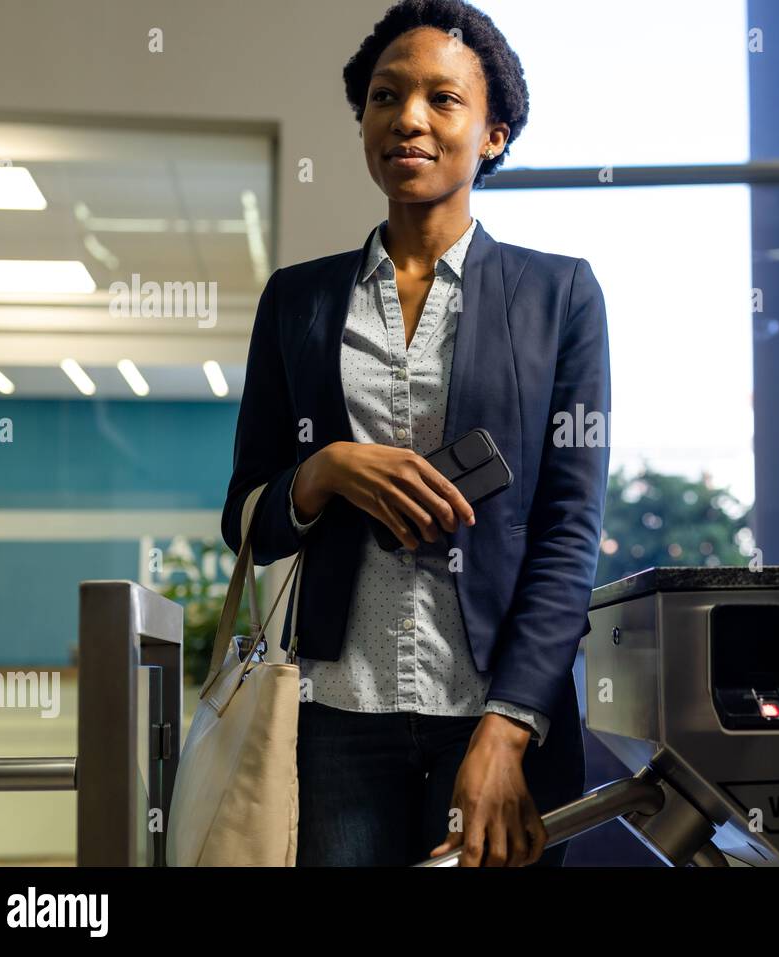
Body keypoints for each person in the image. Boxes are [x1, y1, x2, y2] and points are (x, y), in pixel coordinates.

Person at [221, 0, 610, 866]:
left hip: (496, 714)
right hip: (334, 719)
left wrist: (508, 730)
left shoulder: (560, 298)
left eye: (443, 99)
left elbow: (566, 533)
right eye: (386, 97)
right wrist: (321, 472)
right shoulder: (299, 301)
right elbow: (244, 512)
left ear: (494, 134)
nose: (408, 119)